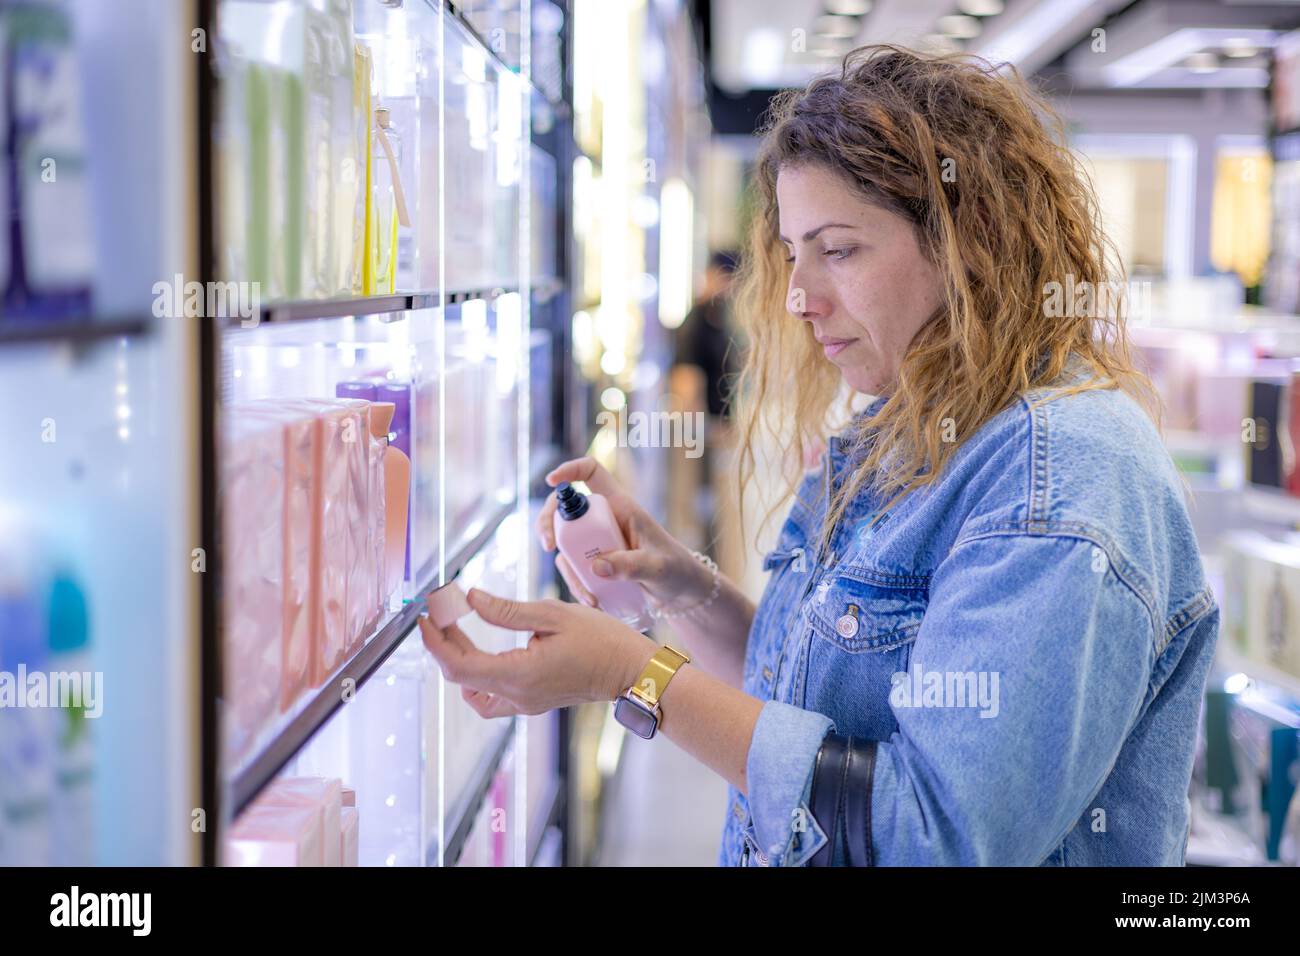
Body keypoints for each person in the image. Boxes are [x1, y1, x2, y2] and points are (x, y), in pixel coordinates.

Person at [418, 45, 1220, 866]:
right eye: (795, 253)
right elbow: (798, 692)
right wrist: (680, 585)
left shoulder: (1066, 478)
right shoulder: (908, 424)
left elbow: (934, 837)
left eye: (838, 250)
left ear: (970, 239)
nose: (800, 297)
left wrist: (632, 676)